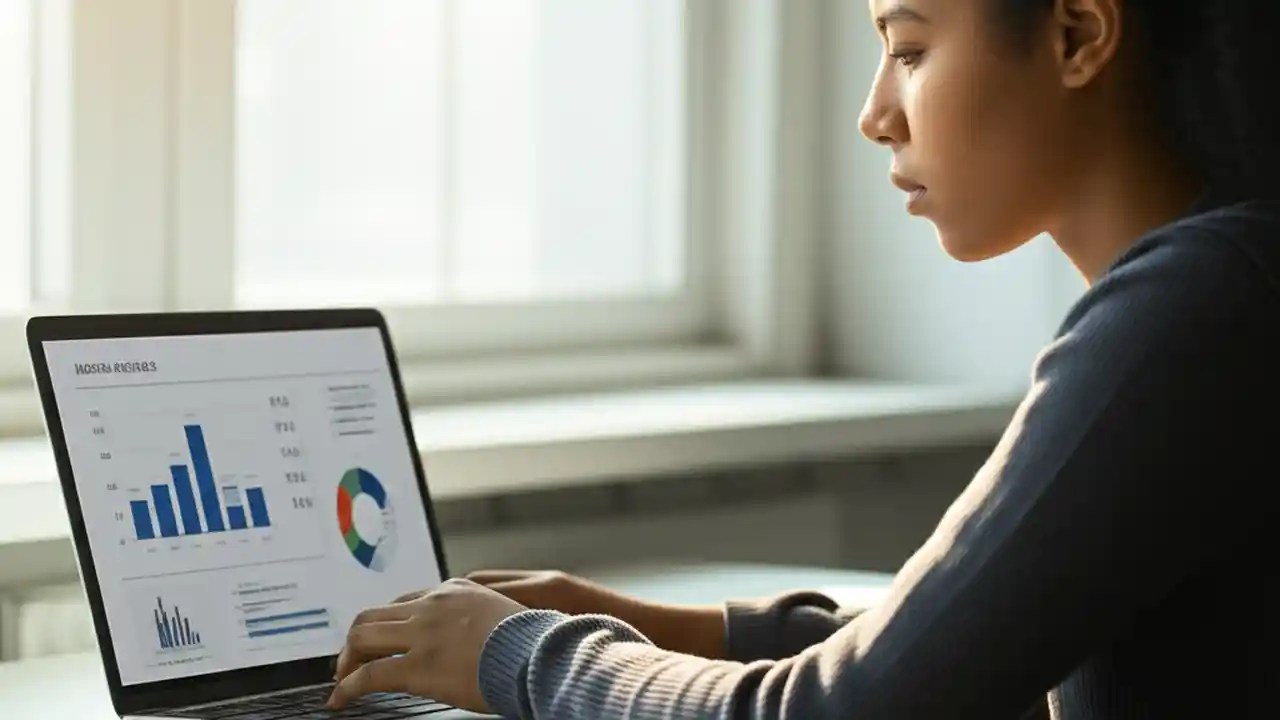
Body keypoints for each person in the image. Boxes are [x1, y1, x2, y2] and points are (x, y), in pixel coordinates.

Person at [326, 0, 1280, 717]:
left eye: (909, 50)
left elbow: (846, 712)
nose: (876, 113)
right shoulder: (1223, 283)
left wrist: (519, 657)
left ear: (1077, 34)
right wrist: (662, 627)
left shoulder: (1201, 304)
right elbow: (957, 647)